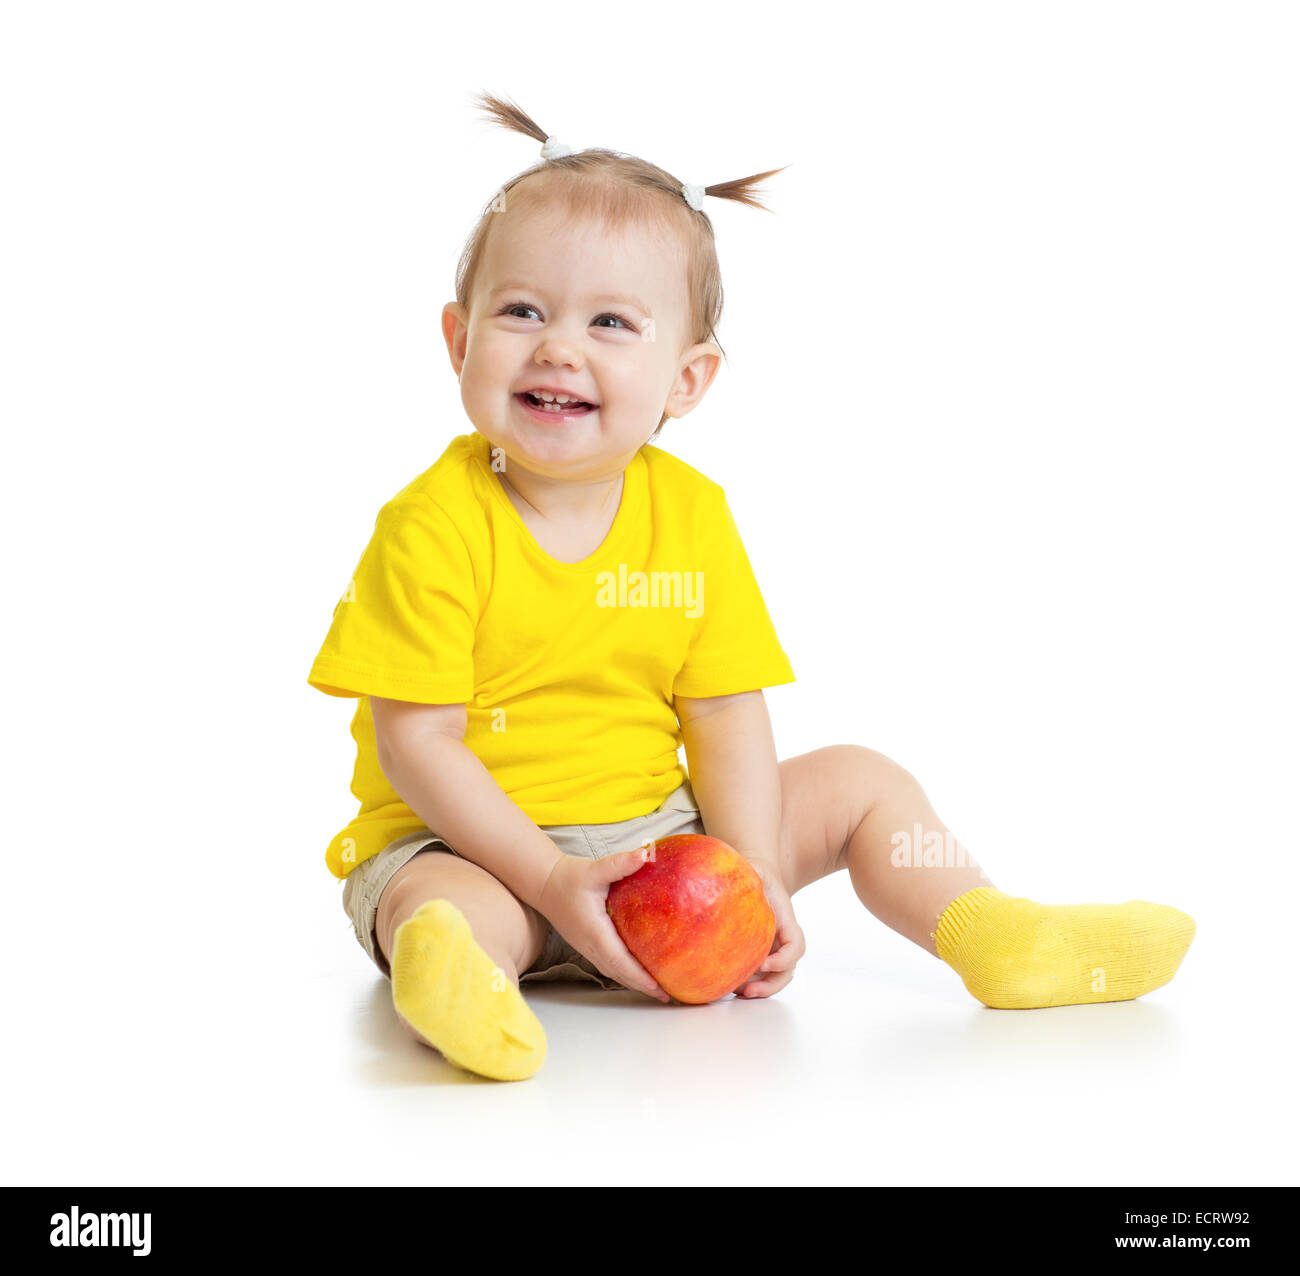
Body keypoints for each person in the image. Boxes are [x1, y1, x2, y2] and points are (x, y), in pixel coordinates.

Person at [307, 92, 1195, 1082]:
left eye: (610, 321)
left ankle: (995, 932)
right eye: (521, 311)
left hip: (659, 839)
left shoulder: (690, 514)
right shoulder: (428, 527)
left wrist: (753, 872)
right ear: (457, 340)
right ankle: (454, 979)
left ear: (686, 380)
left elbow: (723, 708)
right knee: (439, 904)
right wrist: (553, 878)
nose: (560, 346)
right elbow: (418, 747)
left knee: (860, 781)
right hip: (476, 850)